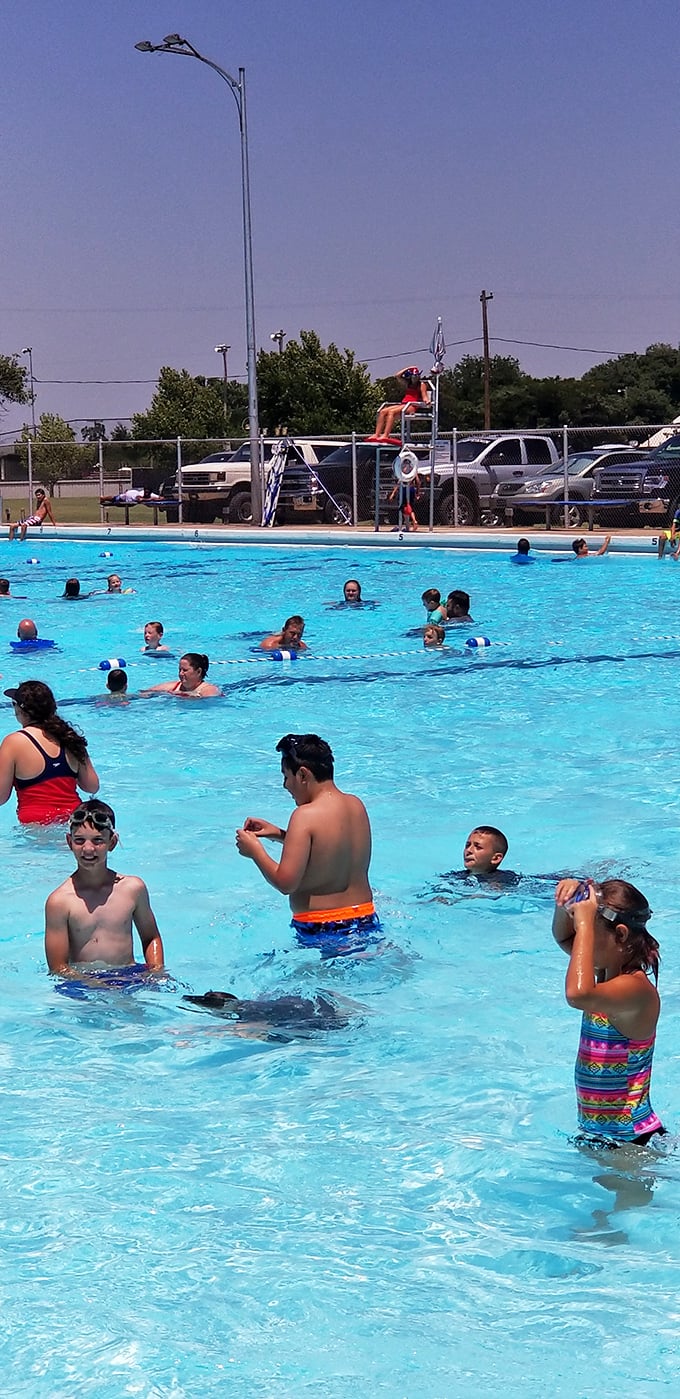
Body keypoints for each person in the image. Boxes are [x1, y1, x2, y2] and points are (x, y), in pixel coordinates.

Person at [235, 733, 380, 956]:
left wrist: (255, 851)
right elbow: (331, 850)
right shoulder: (355, 805)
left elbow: (286, 883)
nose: (285, 785)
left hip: (322, 928)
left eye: (285, 776)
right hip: (364, 918)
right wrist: (282, 834)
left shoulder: (304, 815)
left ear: (303, 775)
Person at [552, 877, 665, 1146]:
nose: (581, 941)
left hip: (633, 1142)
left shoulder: (635, 990)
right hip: (603, 1136)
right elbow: (563, 936)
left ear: (621, 935)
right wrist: (564, 904)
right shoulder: (606, 975)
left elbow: (577, 994)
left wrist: (583, 922)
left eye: (588, 933)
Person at [44, 799, 164, 976]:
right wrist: (95, 985)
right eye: (79, 840)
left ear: (112, 843)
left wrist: (156, 972)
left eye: (97, 840)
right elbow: (58, 968)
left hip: (128, 977)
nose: (88, 849)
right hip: (81, 983)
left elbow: (151, 938)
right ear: (69, 842)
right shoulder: (60, 901)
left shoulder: (132, 889)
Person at [0, 680, 99, 823]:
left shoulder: (13, 742)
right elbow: (92, 786)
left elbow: (1, 797)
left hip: (35, 827)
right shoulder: (69, 737)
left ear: (20, 710)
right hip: (75, 822)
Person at [369, 367, 431, 442]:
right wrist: (409, 368)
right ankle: (377, 434)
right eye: (414, 376)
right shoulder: (408, 383)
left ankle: (386, 435)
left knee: (391, 412)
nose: (416, 378)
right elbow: (397, 376)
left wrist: (427, 401)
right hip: (404, 404)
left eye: (417, 375)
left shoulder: (421, 384)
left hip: (411, 406)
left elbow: (424, 396)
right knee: (382, 412)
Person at [145, 652, 220, 698]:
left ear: (198, 671)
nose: (181, 673)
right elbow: (145, 693)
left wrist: (184, 695)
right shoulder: (174, 686)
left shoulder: (209, 690)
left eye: (185, 670)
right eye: (179, 670)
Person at [389, 463, 421, 532]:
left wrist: (393, 493)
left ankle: (410, 523)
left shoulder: (403, 471)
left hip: (405, 489)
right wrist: (417, 492)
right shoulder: (413, 471)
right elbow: (418, 482)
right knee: (410, 507)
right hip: (412, 489)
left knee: (403, 507)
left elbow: (399, 482)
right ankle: (412, 523)